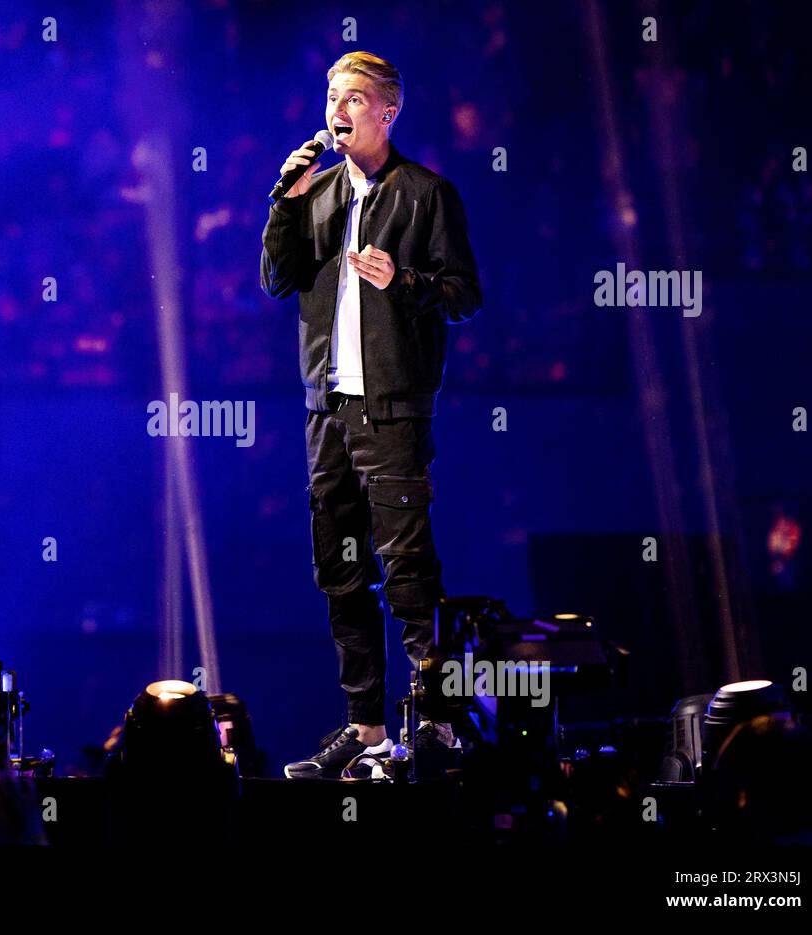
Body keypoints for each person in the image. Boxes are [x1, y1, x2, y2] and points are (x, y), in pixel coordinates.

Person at [260, 51, 481, 779]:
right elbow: (276, 279)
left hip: (391, 411)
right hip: (327, 409)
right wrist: (283, 204)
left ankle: (441, 727)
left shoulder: (426, 194)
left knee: (410, 573)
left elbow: (464, 295)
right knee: (340, 573)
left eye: (354, 98)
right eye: (331, 95)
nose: (339, 109)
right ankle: (366, 728)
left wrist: (406, 280)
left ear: (388, 111)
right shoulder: (315, 194)